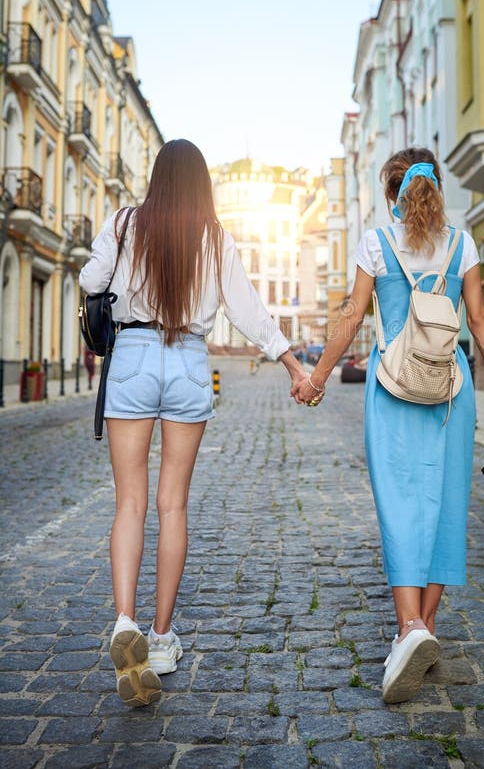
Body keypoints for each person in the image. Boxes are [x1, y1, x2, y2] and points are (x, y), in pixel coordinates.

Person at [79, 139, 307, 707]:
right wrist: (292, 362)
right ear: (203, 185)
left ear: (157, 178)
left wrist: (114, 262)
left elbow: (90, 281)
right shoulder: (215, 237)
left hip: (131, 356)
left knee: (128, 502)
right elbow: (248, 308)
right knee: (172, 504)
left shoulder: (126, 222)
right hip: (187, 362)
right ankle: (159, 640)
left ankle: (123, 621)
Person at [292, 147, 484, 704]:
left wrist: (317, 377)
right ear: (435, 188)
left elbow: (350, 317)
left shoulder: (376, 242)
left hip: (393, 385)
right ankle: (426, 628)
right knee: (443, 502)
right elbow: (480, 319)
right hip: (451, 388)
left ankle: (410, 629)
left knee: (399, 502)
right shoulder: (462, 244)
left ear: (391, 192)